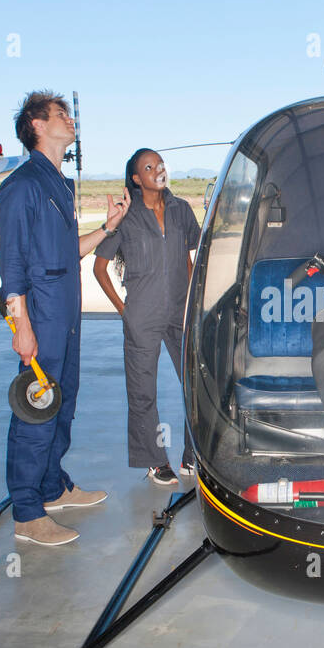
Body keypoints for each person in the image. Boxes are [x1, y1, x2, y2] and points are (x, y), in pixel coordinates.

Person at [0, 90, 128, 545]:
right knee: (36, 410)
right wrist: (22, 325)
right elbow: (11, 264)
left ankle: (52, 487)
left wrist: (108, 227)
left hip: (67, 316)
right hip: (42, 316)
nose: (71, 120)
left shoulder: (58, 183)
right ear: (37, 125)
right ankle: (27, 514)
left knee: (63, 401)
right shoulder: (21, 186)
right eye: (61, 114)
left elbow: (67, 254)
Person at [93, 148, 201, 486]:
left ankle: (192, 455)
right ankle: (154, 460)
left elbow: (187, 256)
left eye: (161, 164)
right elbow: (99, 269)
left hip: (180, 310)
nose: (158, 170)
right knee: (143, 391)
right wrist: (125, 311)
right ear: (137, 178)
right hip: (142, 313)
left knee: (197, 384)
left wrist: (193, 302)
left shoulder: (182, 210)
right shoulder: (127, 215)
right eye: (149, 167)